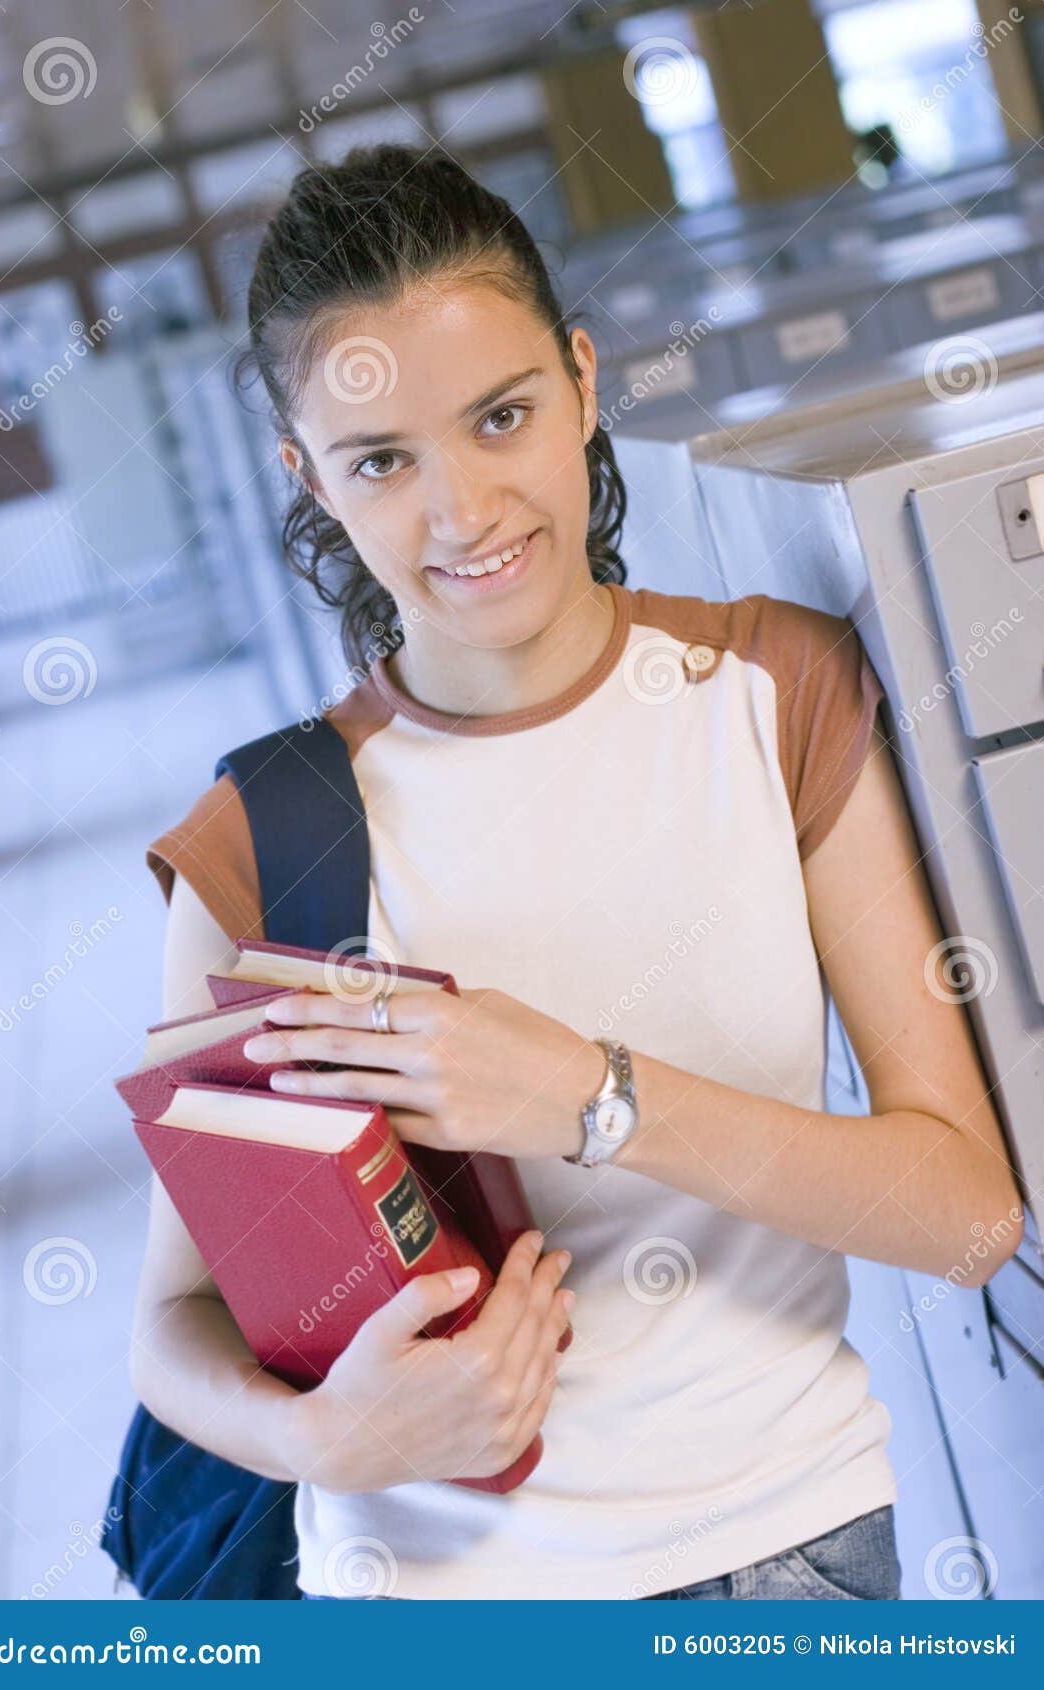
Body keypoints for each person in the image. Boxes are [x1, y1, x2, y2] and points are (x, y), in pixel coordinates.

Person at [129, 145, 1023, 1603]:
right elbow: (172, 1321)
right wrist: (326, 1435)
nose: (466, 508)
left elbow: (971, 1214)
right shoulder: (268, 831)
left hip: (784, 1567)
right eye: (382, 460)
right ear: (308, 478)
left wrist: (594, 1099)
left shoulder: (772, 691)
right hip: (420, 1599)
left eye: (501, 416)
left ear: (584, 382)